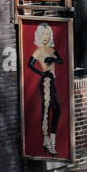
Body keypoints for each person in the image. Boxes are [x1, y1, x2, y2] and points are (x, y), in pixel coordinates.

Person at [27, 23, 63, 156]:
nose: (45, 37)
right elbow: (30, 65)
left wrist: (52, 58)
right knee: (47, 110)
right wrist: (42, 73)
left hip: (52, 81)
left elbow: (60, 61)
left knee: (57, 110)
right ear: (39, 35)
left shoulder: (51, 50)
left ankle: (50, 141)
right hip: (46, 81)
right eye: (43, 34)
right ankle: (47, 141)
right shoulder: (38, 51)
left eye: (47, 34)